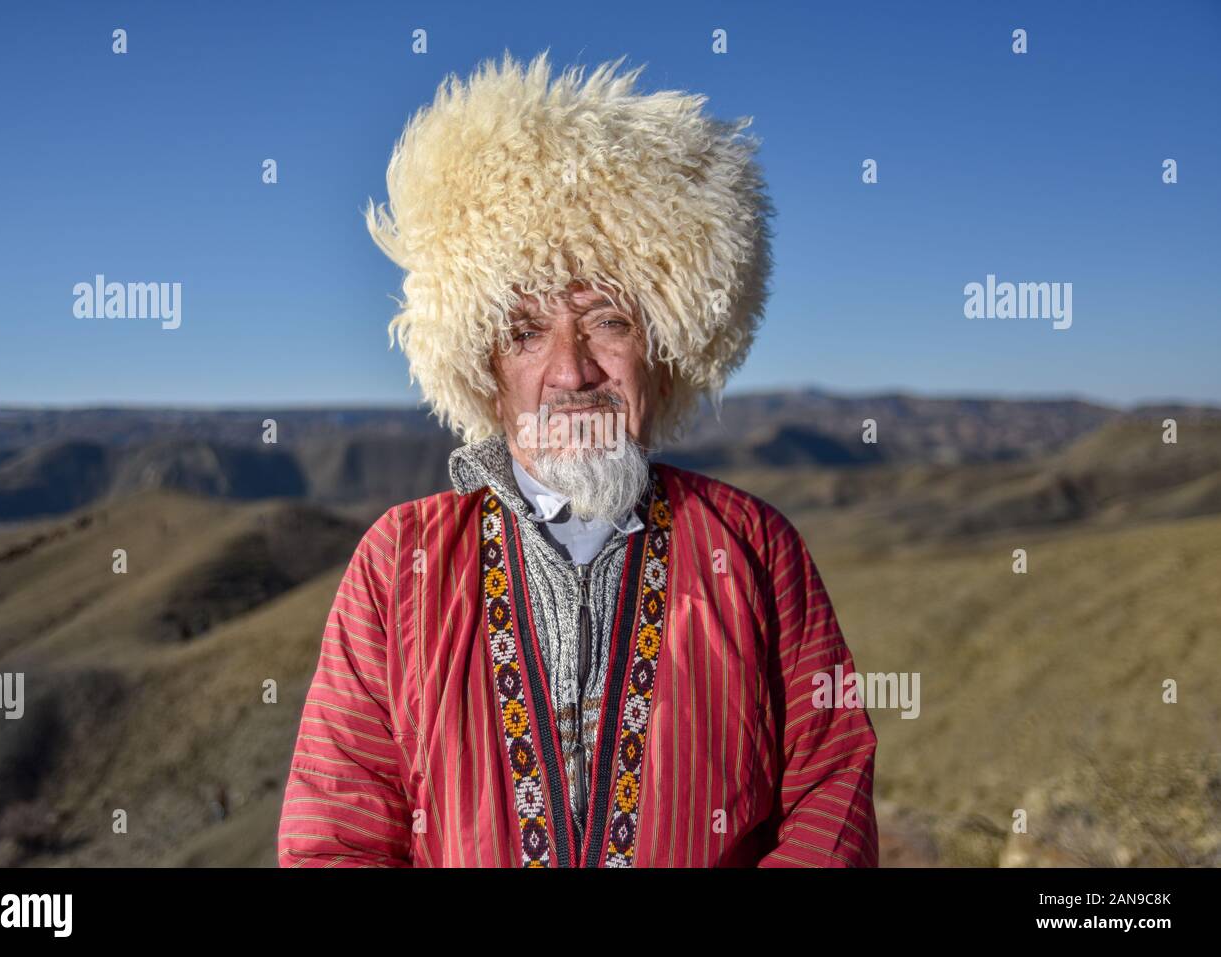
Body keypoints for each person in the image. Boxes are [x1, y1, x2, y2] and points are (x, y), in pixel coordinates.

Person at [277, 49, 878, 867]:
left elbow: (829, 792)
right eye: (525, 332)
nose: (572, 370)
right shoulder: (398, 563)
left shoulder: (757, 551)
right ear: (485, 371)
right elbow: (335, 833)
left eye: (608, 322)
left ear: (661, 350)